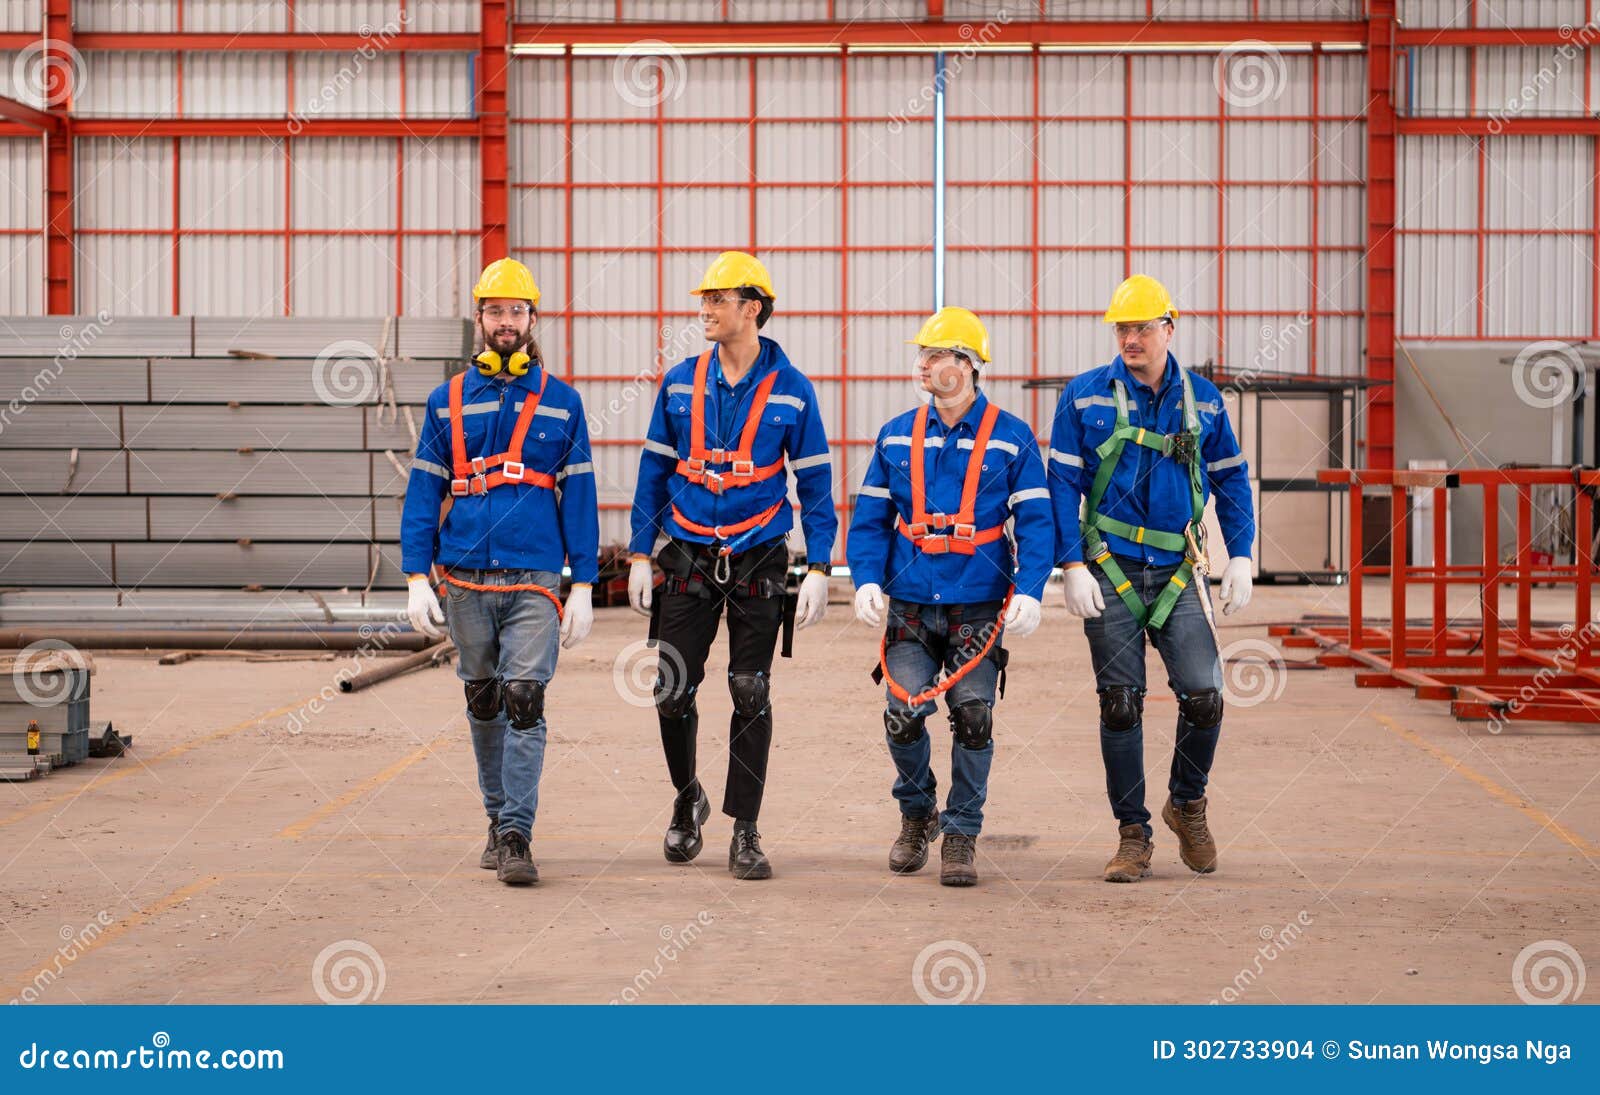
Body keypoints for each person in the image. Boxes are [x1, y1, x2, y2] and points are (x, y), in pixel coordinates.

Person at [627, 251, 836, 881]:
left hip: (759, 555)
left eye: (718, 299)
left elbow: (817, 485)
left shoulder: (794, 392)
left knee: (750, 690)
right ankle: (687, 797)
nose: (705, 310)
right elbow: (654, 471)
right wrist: (641, 553)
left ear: (753, 308)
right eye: (706, 299)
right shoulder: (679, 383)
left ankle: (745, 829)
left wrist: (821, 565)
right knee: (670, 687)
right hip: (687, 550)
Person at [1047, 274, 1255, 883]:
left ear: (1170, 327)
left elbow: (1231, 482)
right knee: (1120, 705)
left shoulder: (1206, 401)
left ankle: (1187, 803)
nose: (1130, 338)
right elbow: (1061, 485)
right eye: (1122, 328)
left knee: (1204, 695)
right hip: (1108, 567)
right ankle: (1132, 834)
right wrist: (1071, 564)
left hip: (1176, 569)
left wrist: (1238, 553)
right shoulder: (1083, 396)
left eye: (1141, 327)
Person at [400, 257, 598, 887]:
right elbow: (423, 494)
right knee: (483, 699)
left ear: (532, 318)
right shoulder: (446, 401)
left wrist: (586, 583)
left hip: (534, 577)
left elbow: (582, 497)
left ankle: (517, 833)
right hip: (463, 577)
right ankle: (495, 820)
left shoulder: (563, 403)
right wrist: (412, 576)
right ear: (480, 320)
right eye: (495, 311)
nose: (506, 321)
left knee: (524, 698)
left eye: (516, 311)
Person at [846, 306, 1051, 887]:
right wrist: (864, 578)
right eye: (922, 355)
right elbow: (869, 521)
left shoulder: (1011, 439)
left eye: (935, 355)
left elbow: (1036, 522)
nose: (923, 364)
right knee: (902, 716)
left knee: (974, 717)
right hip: (910, 605)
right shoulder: (894, 436)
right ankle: (917, 815)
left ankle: (961, 832)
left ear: (966, 365)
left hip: (979, 606)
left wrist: (1032, 589)